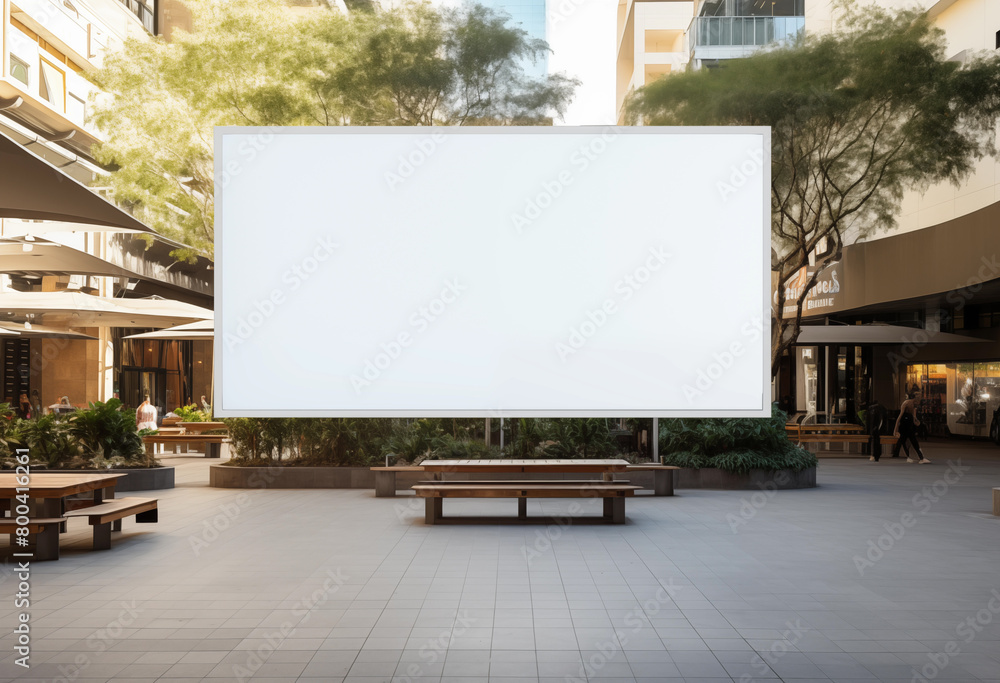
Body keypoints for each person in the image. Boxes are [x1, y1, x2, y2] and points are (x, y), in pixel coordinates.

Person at [893, 391, 930, 463]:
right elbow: (899, 417)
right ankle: (916, 457)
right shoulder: (906, 403)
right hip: (904, 423)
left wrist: (916, 421)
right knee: (906, 441)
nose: (919, 402)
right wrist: (895, 429)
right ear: (916, 399)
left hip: (908, 423)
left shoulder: (913, 405)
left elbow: (913, 416)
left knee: (909, 441)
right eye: (919, 399)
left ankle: (917, 457)